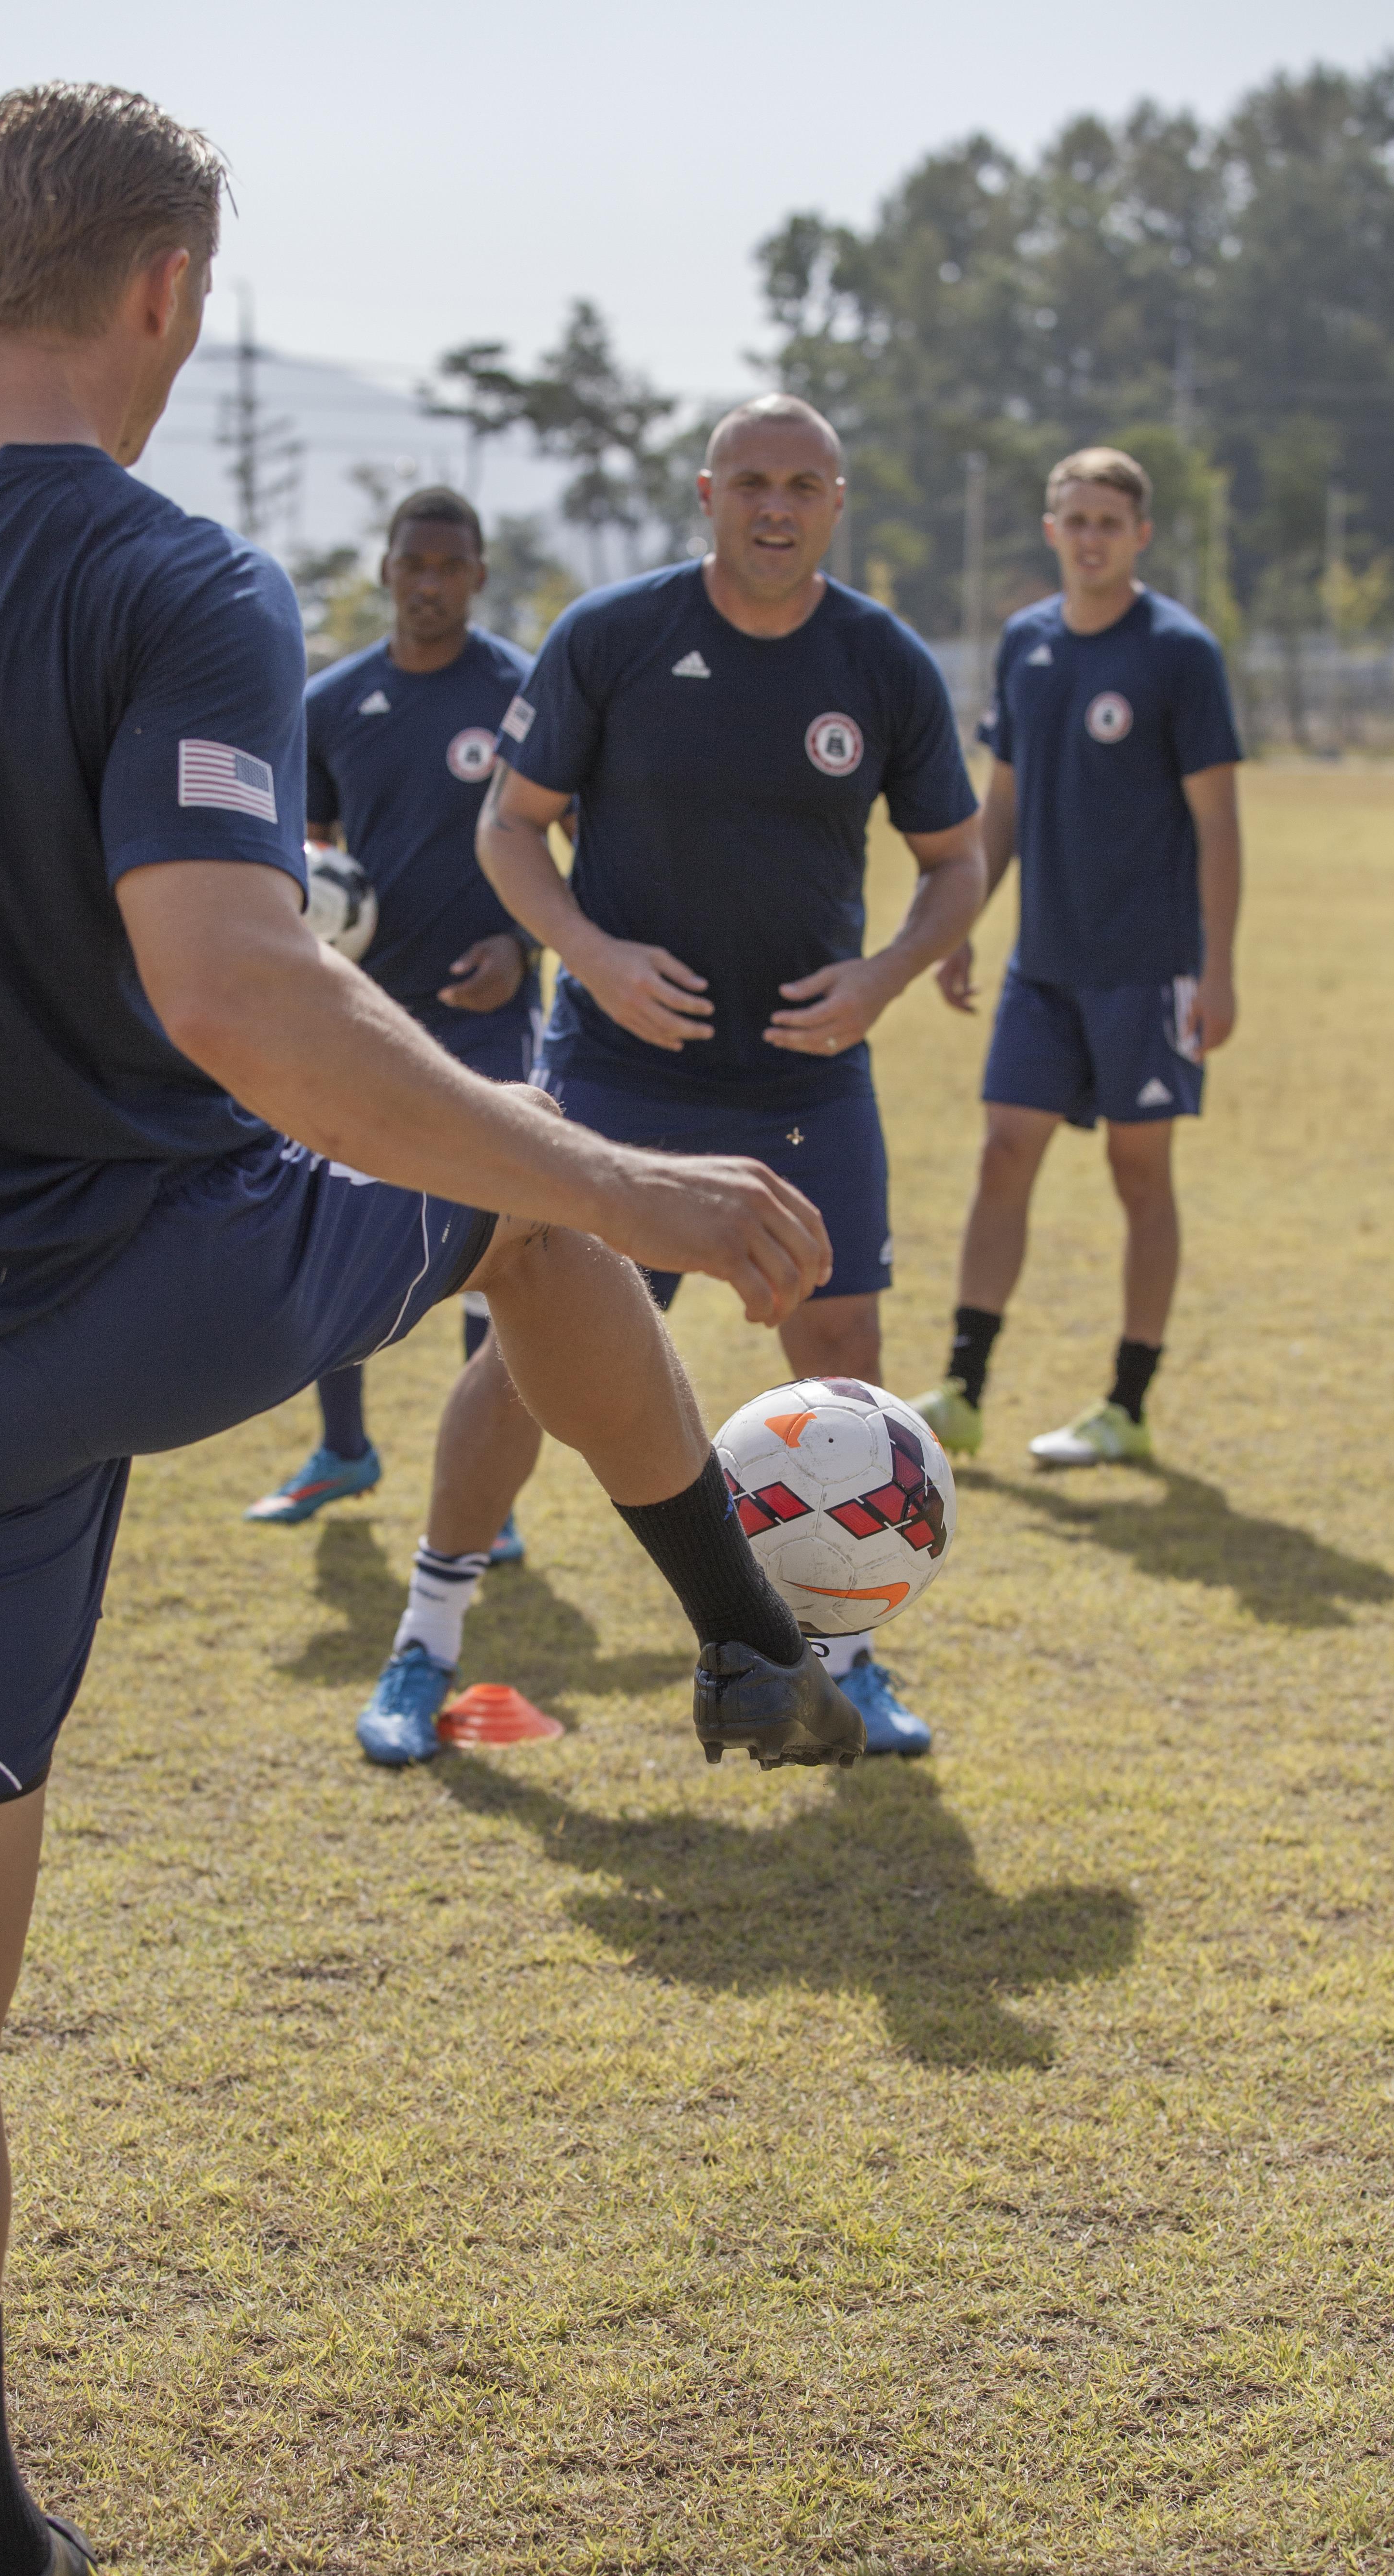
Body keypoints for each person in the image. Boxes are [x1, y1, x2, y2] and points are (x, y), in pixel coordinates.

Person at [0, 86, 865, 2576]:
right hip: (165, 1273)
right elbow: (239, 990)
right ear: (159, 294)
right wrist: (630, 1170)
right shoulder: (179, 572)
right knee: (542, 1204)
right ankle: (748, 1641)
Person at [395, 393, 986, 1768]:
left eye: (804, 483)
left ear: (838, 502)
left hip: (805, 1080)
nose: (776, 505)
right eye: (752, 482)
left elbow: (956, 859)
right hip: (619, 1081)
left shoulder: (881, 660)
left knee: (842, 1367)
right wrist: (591, 956)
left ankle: (847, 1659)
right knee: (524, 1368)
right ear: (709, 494)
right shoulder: (616, 635)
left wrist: (882, 977)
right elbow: (512, 827)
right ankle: (423, 1641)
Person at [912, 446, 1242, 1466]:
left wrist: (1219, 969)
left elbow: (1220, 824)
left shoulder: (1178, 653)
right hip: (1041, 968)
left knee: (1139, 1173)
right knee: (1003, 1153)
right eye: (1075, 519)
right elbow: (1001, 802)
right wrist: (963, 920)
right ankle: (963, 1389)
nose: (1091, 536)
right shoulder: (1027, 642)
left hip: (1149, 968)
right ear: (1052, 530)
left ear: (1140, 534)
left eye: (1111, 521)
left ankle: (1128, 1403)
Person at [245, 486, 543, 1564]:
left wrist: (524, 947)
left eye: (449, 566)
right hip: (363, 1019)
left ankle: (491, 1492)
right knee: (331, 1217)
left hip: (488, 1019)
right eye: (411, 564)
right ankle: (343, 1449)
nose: (428, 583)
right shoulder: (332, 702)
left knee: (499, 1237)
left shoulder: (519, 693)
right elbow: (311, 859)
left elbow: (563, 849)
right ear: (385, 570)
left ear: (477, 574)